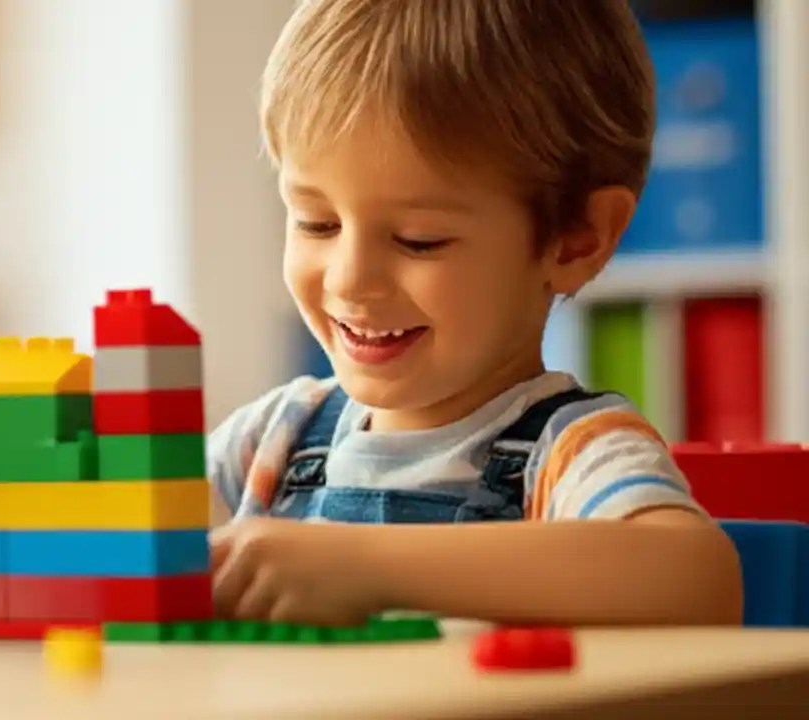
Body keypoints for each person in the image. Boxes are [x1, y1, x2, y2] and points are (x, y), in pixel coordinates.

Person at [206, 0, 743, 628]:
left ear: (576, 239)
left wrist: (367, 566)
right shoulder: (269, 443)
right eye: (316, 223)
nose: (350, 277)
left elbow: (695, 580)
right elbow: (104, 554)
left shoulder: (568, 451)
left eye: (418, 240)